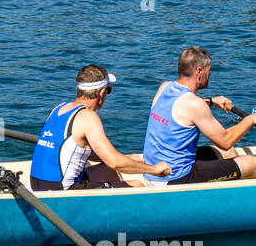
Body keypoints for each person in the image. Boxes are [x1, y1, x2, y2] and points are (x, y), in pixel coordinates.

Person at [141, 47, 256, 185]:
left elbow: (181, 110)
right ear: (199, 72)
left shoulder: (165, 87)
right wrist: (249, 120)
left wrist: (210, 101)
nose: (210, 75)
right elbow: (226, 141)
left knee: (228, 153)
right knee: (254, 163)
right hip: (174, 178)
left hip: (152, 171)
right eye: (209, 71)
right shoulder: (195, 105)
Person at [29, 65, 172, 191]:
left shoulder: (59, 108)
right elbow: (114, 161)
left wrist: (127, 159)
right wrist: (154, 169)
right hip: (61, 190)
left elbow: (75, 149)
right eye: (108, 91)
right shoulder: (88, 117)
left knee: (109, 169)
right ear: (102, 93)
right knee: (136, 185)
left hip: (37, 183)